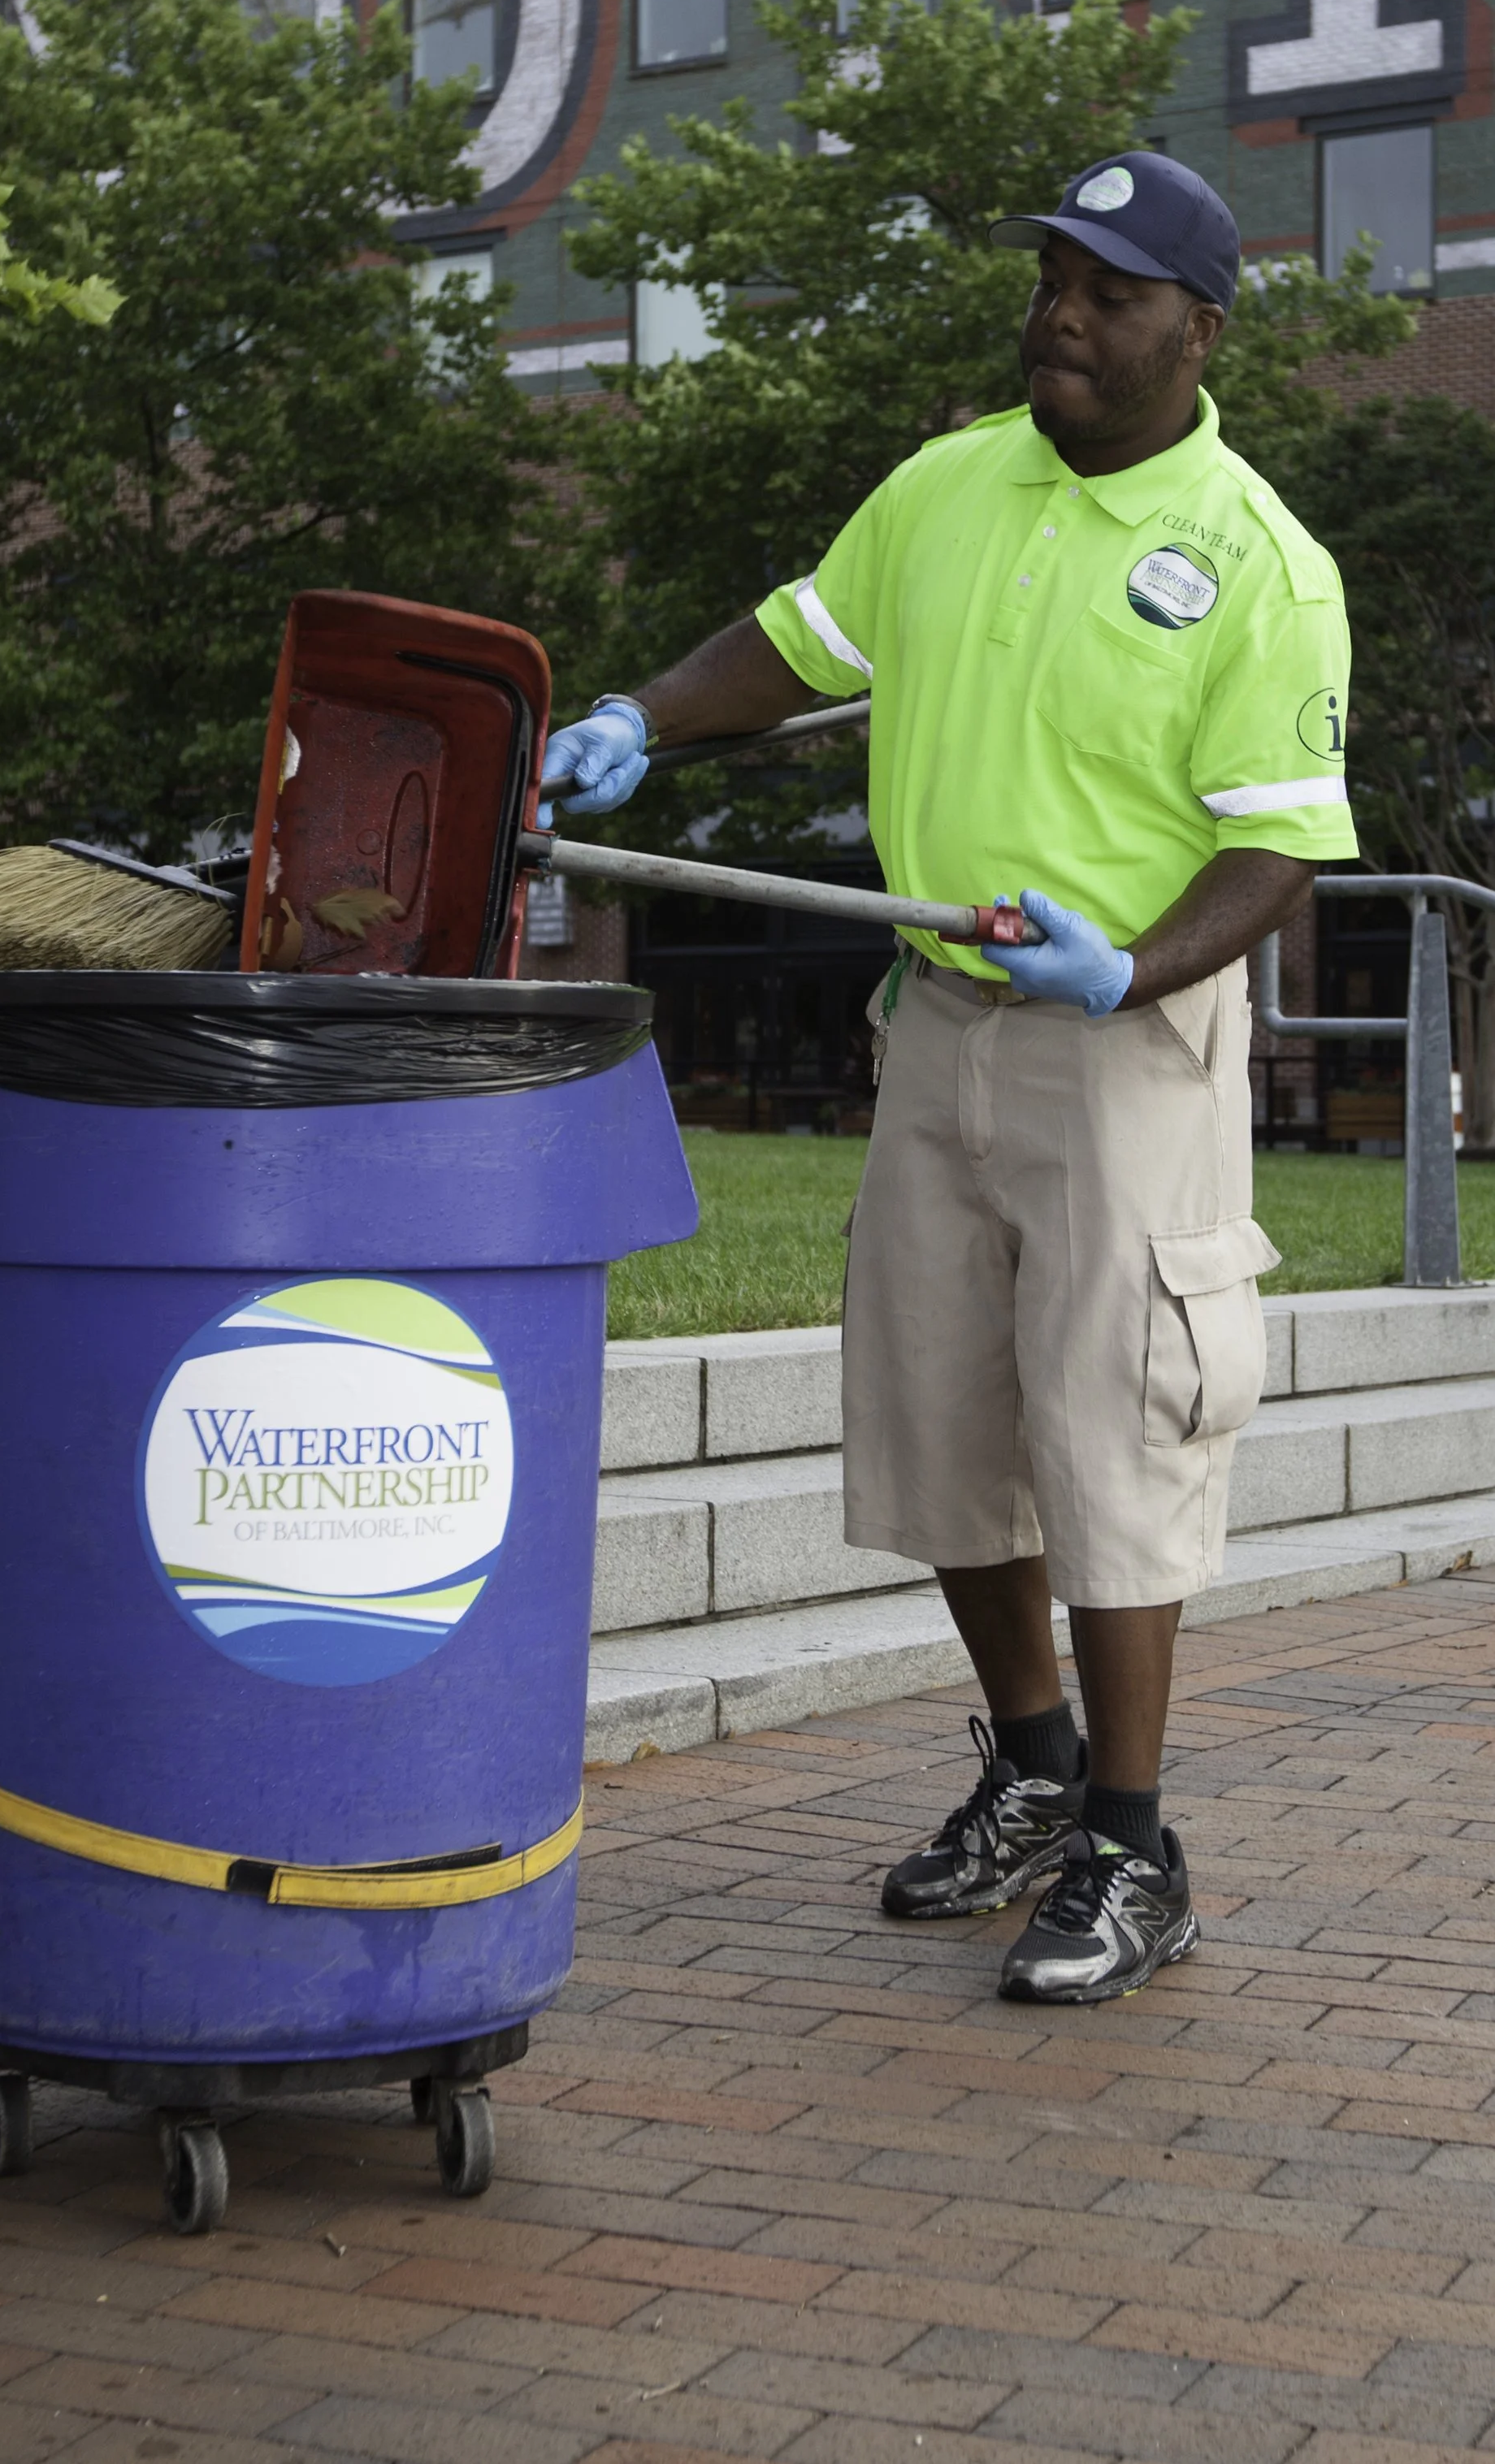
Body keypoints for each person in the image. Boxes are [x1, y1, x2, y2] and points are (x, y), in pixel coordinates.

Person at [544, 151, 1357, 2003]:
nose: (1063, 312)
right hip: (933, 1029)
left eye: (1112, 289)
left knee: (1112, 1426)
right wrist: (639, 720)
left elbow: (1278, 842)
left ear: (1196, 329)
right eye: (1053, 278)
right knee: (942, 1423)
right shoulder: (943, 482)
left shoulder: (1254, 560)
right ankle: (1031, 1767)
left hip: (1122, 1043)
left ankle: (1134, 1849)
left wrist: (1127, 963)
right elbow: (794, 639)